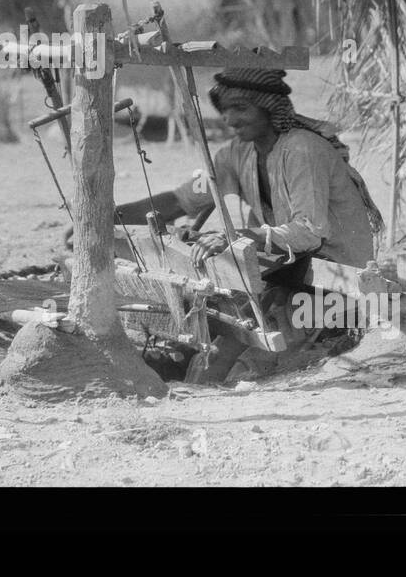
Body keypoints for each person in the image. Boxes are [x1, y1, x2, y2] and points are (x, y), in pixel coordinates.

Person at [113, 67, 384, 382]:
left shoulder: (301, 150)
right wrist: (111, 215)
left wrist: (237, 236)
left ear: (269, 108)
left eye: (240, 108)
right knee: (217, 300)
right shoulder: (236, 154)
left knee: (248, 344)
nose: (229, 119)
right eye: (225, 110)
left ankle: (212, 373)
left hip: (335, 273)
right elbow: (181, 200)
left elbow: (309, 232)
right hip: (288, 266)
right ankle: (199, 365)